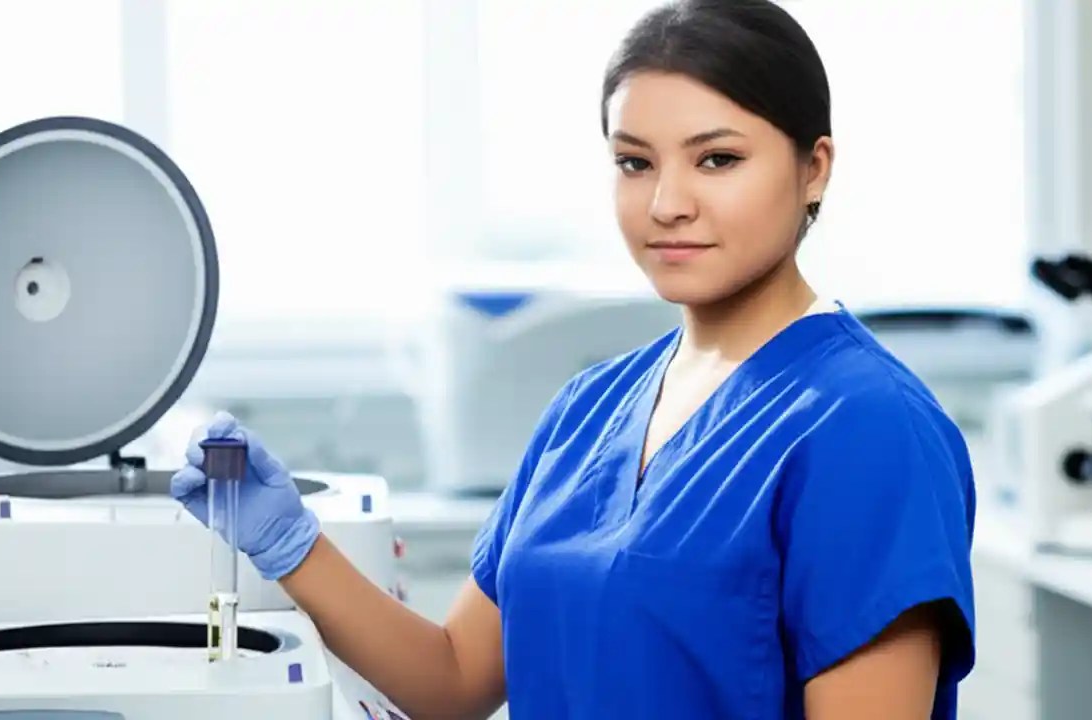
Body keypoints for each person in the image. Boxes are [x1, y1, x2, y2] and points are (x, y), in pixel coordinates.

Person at [171, 1, 976, 717]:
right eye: (635, 162)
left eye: (717, 159)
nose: (667, 204)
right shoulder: (588, 409)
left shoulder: (868, 430)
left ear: (814, 170)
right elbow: (452, 683)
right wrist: (289, 542)